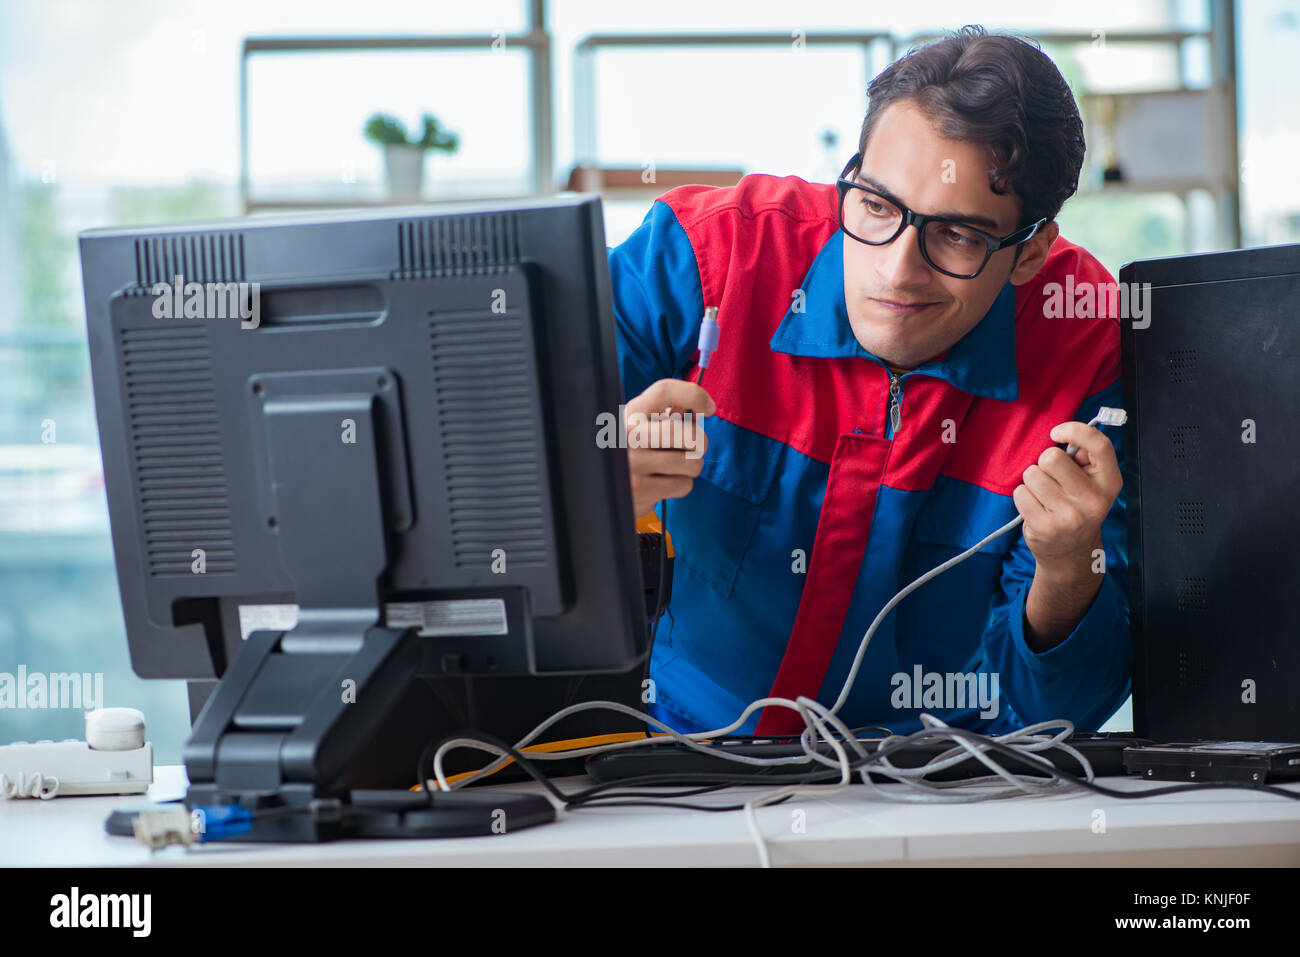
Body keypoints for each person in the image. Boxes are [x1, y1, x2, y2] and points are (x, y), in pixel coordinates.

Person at [608, 25, 1129, 736]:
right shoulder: (708, 253)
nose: (896, 269)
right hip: (677, 748)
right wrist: (593, 479)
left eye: (956, 235)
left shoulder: (1086, 343)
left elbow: (1060, 713)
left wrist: (1070, 565)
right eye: (877, 205)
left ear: (1032, 251)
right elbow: (477, 465)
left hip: (942, 783)